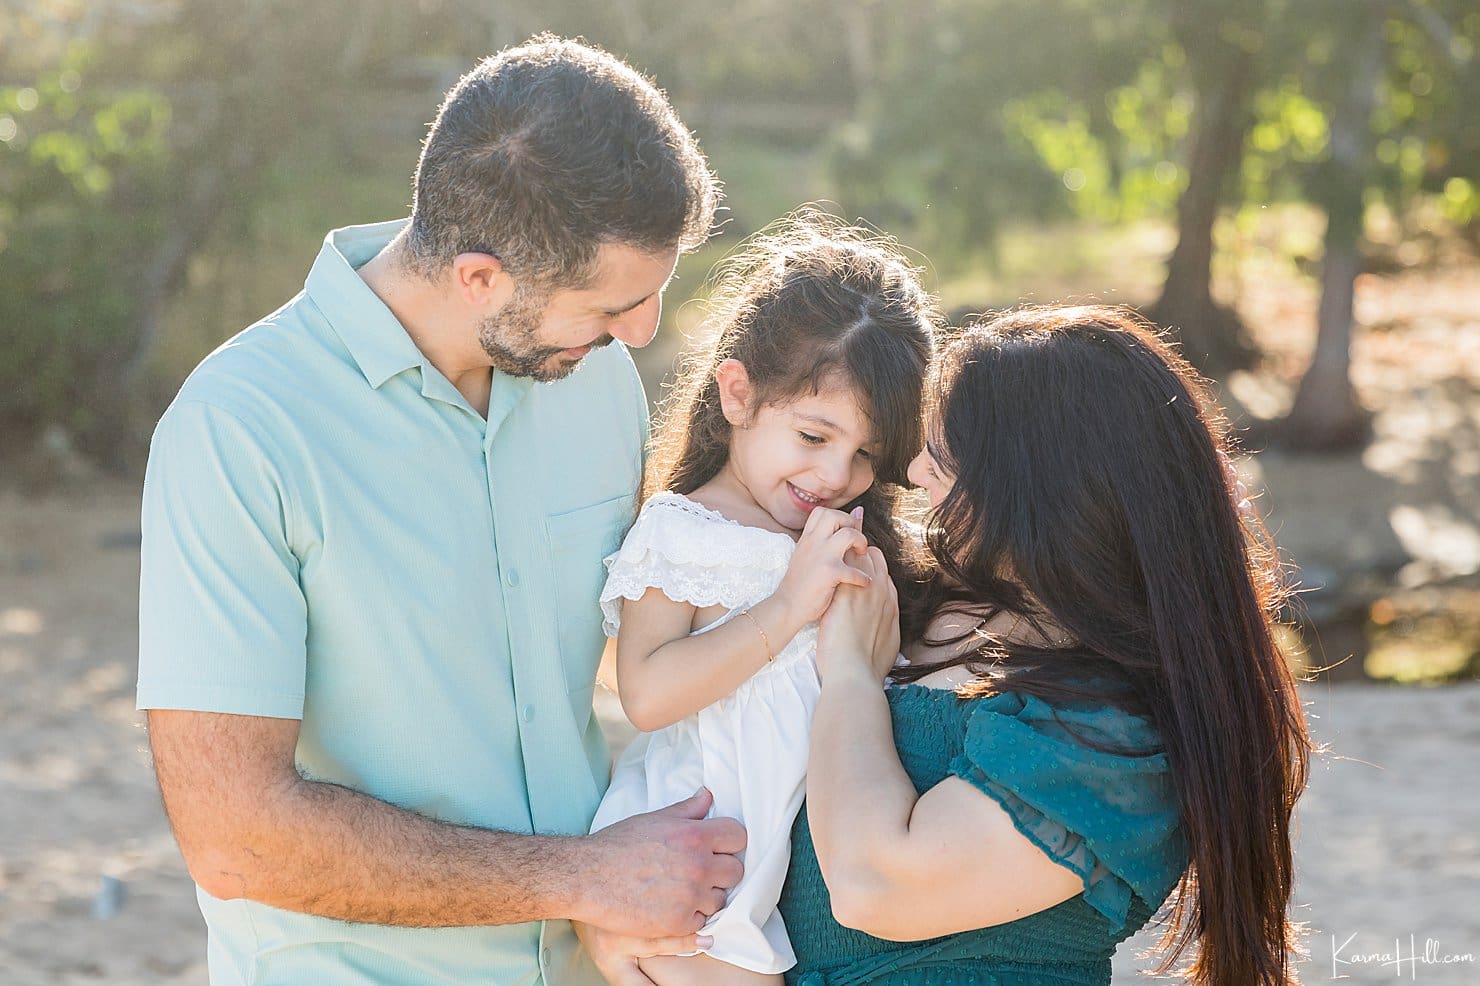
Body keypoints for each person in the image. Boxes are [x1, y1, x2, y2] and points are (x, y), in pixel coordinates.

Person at [136, 36, 746, 986]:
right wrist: (582, 878)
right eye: (613, 304)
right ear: (480, 279)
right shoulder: (239, 432)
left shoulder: (600, 383)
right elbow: (236, 835)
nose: (641, 332)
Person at [781, 306, 1313, 985]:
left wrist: (852, 674)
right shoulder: (929, 592)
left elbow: (875, 885)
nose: (913, 472)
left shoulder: (1118, 735)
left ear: (1038, 489)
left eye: (944, 456)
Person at [585, 215, 939, 986]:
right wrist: (787, 607)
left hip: (784, 868)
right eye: (814, 437)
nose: (837, 476)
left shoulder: (840, 537)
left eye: (865, 454)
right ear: (738, 393)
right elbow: (644, 693)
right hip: (697, 858)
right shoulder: (681, 528)